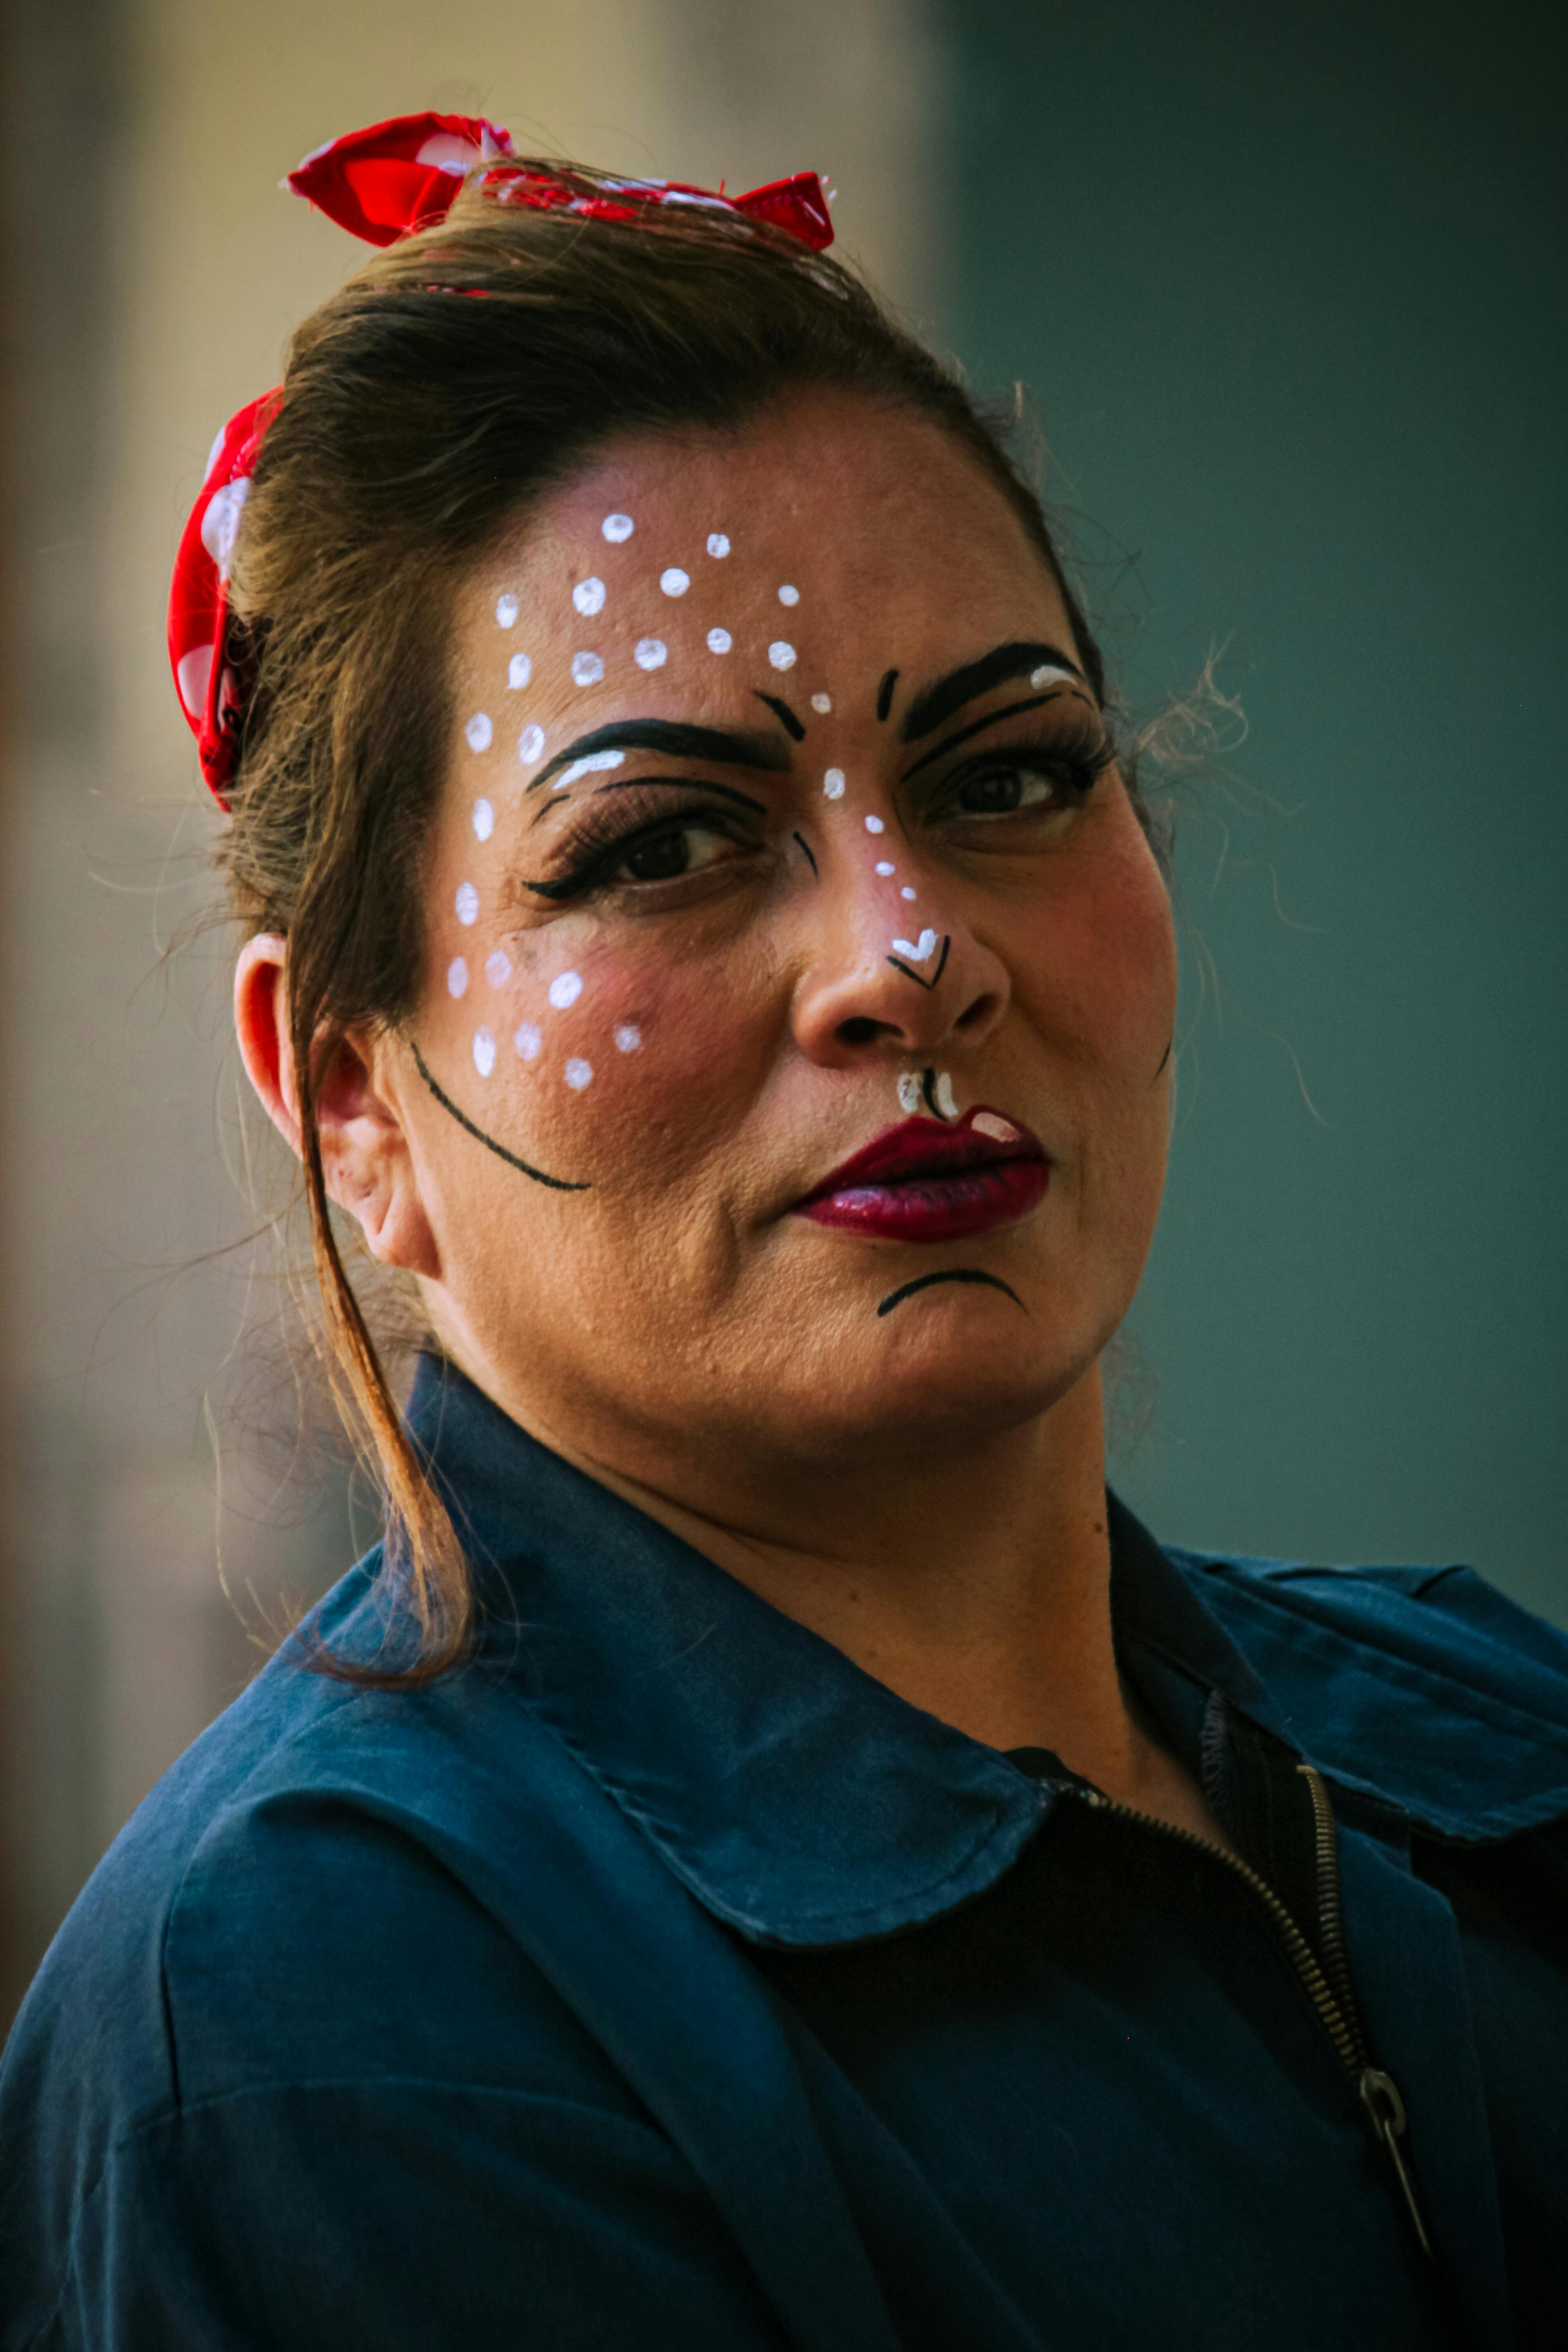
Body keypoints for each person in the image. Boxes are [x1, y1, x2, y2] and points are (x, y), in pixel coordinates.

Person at [1, 110, 1563, 2352]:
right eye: (660, 846)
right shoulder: (321, 2036)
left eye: (1008, 774)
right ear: (353, 1091)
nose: (910, 958)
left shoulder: (1486, 1728)